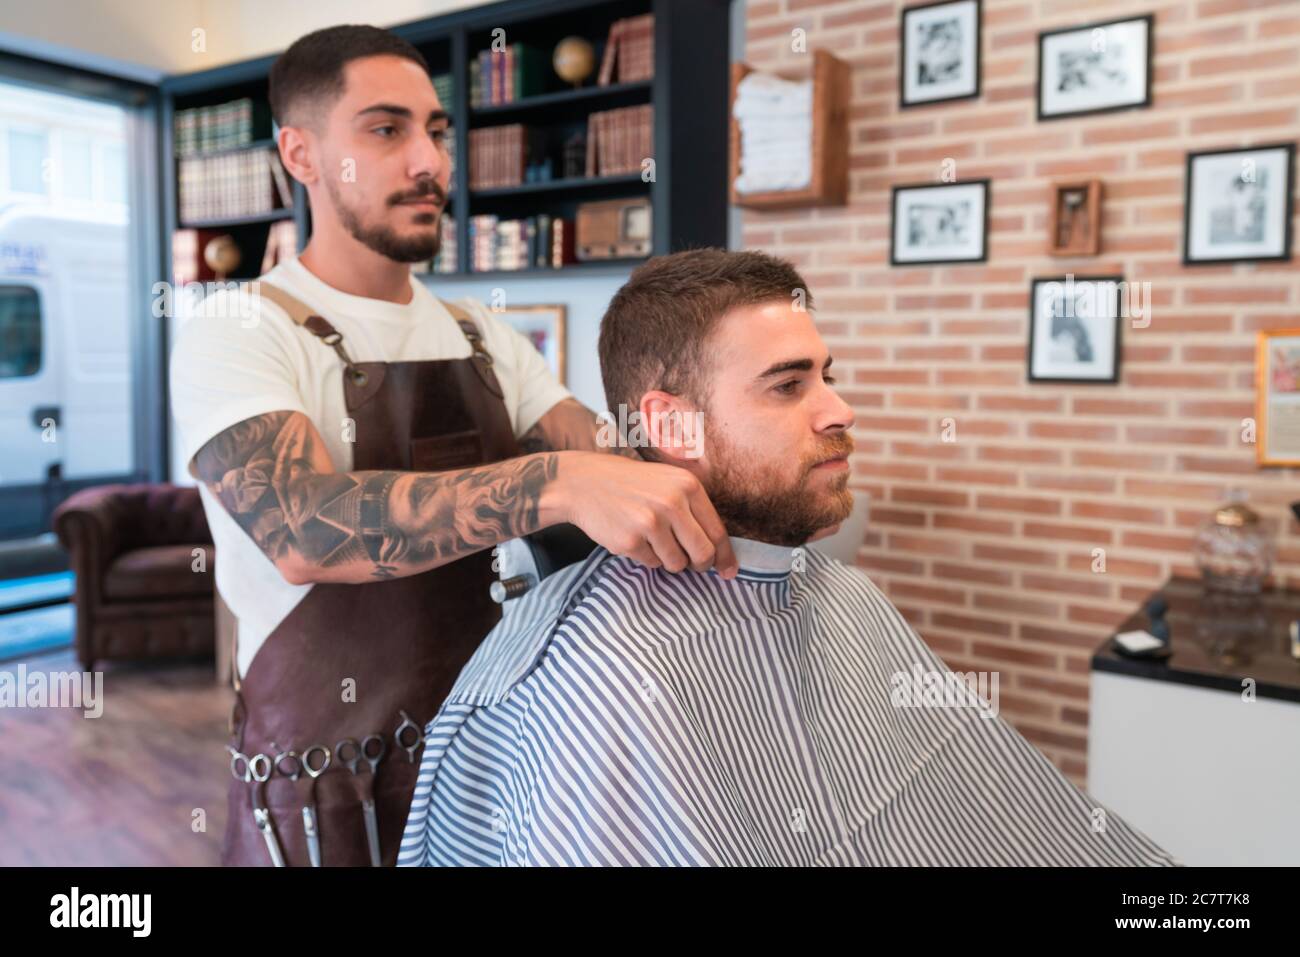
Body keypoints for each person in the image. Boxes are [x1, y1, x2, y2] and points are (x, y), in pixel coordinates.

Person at [396, 249, 1179, 867]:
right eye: (787, 386)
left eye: (826, 375)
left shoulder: (842, 595)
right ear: (674, 428)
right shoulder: (600, 686)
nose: (840, 409)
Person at [168, 25, 742, 867]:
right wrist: (553, 481)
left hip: (488, 747)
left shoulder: (480, 334)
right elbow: (301, 529)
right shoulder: (240, 327)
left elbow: (609, 457)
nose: (430, 162)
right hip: (332, 781)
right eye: (385, 129)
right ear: (301, 154)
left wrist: (731, 423)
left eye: (437, 131)